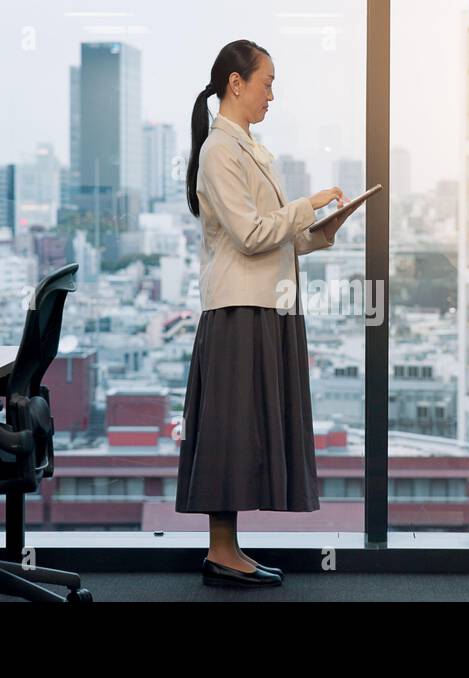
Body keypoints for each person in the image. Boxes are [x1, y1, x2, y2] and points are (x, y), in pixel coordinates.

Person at [176, 39, 347, 588]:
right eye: (267, 82)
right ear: (236, 83)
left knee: (245, 427)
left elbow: (268, 234)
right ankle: (221, 554)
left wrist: (317, 235)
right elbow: (250, 235)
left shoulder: (247, 146)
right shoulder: (219, 151)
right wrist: (307, 206)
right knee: (230, 429)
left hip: (263, 305)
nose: (273, 94)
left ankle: (230, 550)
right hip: (237, 307)